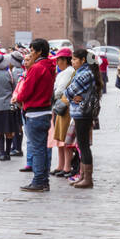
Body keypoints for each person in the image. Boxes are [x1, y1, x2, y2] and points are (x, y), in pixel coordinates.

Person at [16, 39, 57, 191]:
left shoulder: (36, 68)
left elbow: (26, 90)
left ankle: (39, 180)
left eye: (32, 50)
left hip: (35, 112)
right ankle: (43, 179)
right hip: (45, 110)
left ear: (39, 51)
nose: (30, 53)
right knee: (42, 148)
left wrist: (18, 98)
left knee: (38, 149)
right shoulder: (49, 66)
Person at [63, 47, 100, 188]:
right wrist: (74, 96)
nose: (72, 62)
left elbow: (69, 91)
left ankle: (87, 178)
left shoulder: (84, 74)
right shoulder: (83, 72)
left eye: (74, 59)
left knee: (84, 146)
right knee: (81, 144)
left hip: (83, 112)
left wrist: (72, 95)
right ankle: (83, 175)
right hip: (80, 112)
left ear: (83, 60)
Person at [49, 48, 75, 179]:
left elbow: (59, 91)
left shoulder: (68, 72)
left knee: (65, 139)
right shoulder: (64, 72)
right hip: (60, 107)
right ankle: (61, 165)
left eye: (58, 60)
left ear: (65, 60)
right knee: (60, 138)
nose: (57, 62)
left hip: (64, 107)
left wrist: (52, 97)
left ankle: (66, 166)